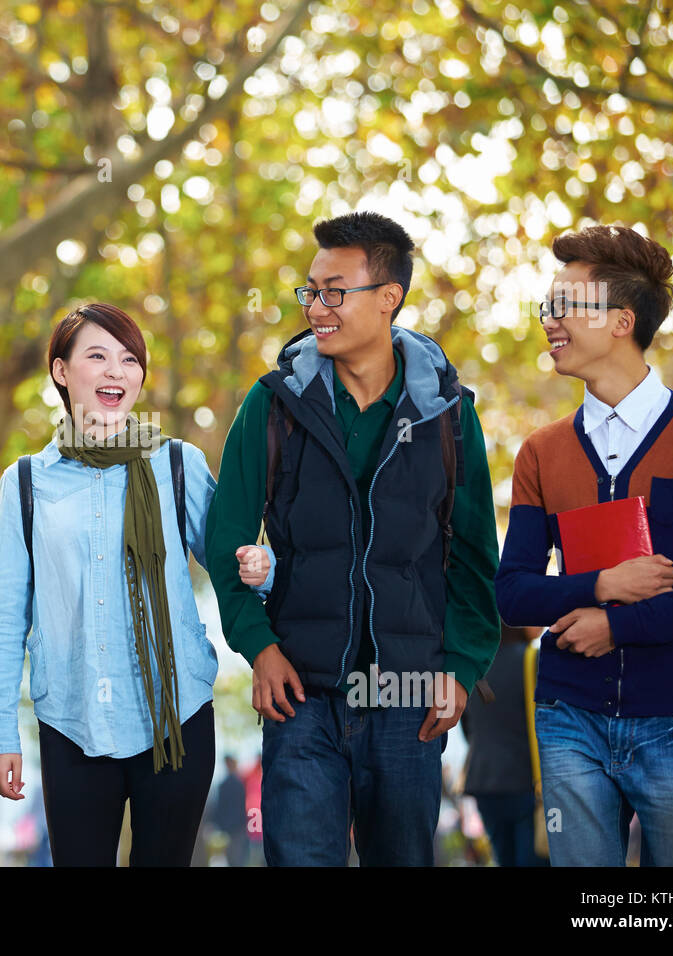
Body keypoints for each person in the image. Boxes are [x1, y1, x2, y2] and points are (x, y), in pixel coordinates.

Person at [206, 211, 502, 866]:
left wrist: (462, 666)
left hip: (410, 698)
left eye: (334, 291)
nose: (316, 306)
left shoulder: (451, 416)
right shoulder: (273, 404)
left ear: (388, 298)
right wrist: (259, 647)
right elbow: (225, 535)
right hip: (301, 693)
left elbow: (477, 556)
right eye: (309, 291)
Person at [495, 224, 673, 867]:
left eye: (564, 306)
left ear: (621, 320)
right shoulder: (541, 452)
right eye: (545, 307)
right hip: (568, 714)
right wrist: (600, 587)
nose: (549, 321)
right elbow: (513, 592)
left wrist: (621, 625)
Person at [0, 303, 262, 866]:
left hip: (176, 717)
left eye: (130, 359)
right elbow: (6, 617)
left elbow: (233, 566)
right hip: (72, 718)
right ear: (61, 371)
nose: (117, 372)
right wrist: (1, 733)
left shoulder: (178, 464)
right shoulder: (28, 483)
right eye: (98, 356)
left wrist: (261, 565)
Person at [460, 625, 547, 866]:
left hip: (484, 780)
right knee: (535, 859)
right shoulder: (534, 660)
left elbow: (467, 725)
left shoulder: (476, 665)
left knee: (504, 859)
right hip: (527, 782)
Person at [213, 754, 250, 866]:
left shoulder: (228, 784)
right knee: (234, 857)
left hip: (234, 827)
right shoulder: (236, 784)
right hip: (235, 827)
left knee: (234, 857)